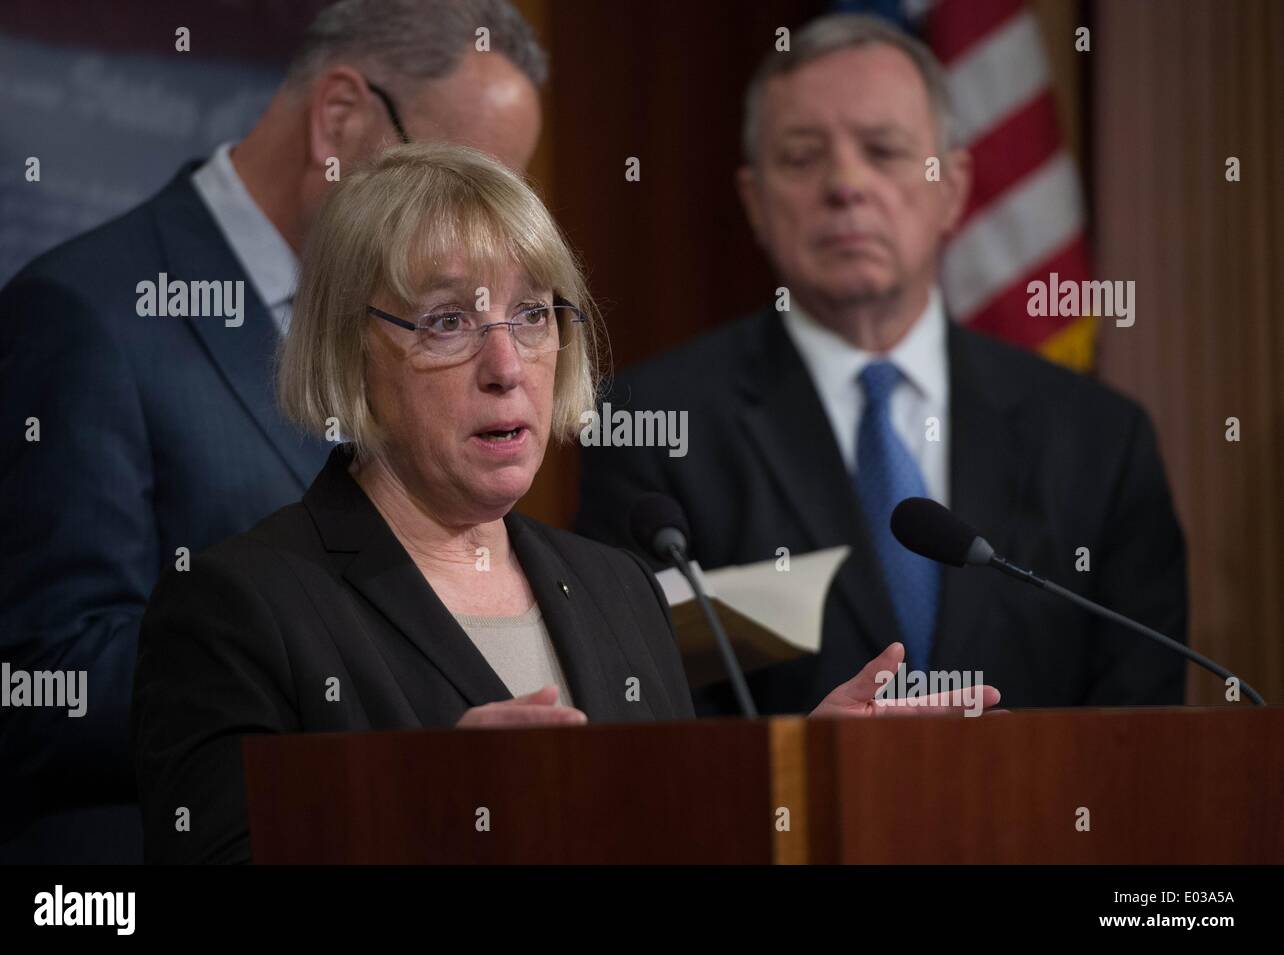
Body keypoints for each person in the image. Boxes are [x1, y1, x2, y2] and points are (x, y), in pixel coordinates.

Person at [130, 142, 1001, 865]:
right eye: (447, 322)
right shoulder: (241, 605)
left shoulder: (619, 587)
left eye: (534, 314)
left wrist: (804, 773)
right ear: (348, 354)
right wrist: (426, 810)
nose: (506, 365)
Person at [0, 0, 547, 863]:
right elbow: (40, 686)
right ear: (340, 118)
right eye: (454, 172)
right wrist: (393, 702)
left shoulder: (432, 339)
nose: (476, 226)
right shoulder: (83, 314)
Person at [576, 14, 1187, 715]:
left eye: (884, 150)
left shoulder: (1101, 441)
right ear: (754, 202)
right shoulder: (651, 424)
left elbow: (1138, 722)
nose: (846, 185)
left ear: (953, 188)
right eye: (803, 157)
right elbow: (637, 706)